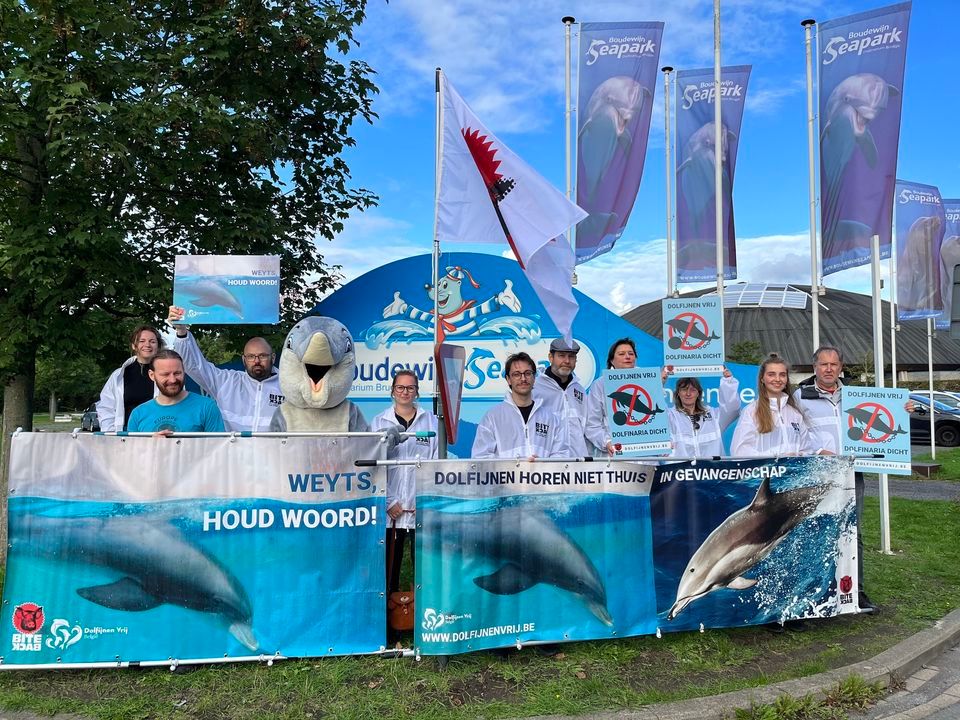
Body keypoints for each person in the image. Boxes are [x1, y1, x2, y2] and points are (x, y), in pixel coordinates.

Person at [793, 345, 875, 612]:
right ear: (814, 367)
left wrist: (901, 409)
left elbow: (881, 418)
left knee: (854, 532)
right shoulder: (800, 397)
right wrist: (817, 451)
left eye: (834, 364)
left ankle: (856, 592)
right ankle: (816, 595)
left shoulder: (856, 396)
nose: (829, 369)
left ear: (841, 367)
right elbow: (793, 435)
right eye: (823, 364)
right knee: (817, 532)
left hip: (852, 473)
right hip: (819, 474)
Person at [370, 370, 438, 598]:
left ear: (417, 392)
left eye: (410, 388)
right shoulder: (379, 422)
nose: (405, 392)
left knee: (425, 569)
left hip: (421, 508)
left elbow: (436, 463)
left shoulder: (431, 422)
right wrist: (389, 501)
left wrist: (425, 498)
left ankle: (422, 619)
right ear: (392, 391)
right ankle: (390, 622)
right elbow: (375, 466)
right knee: (389, 570)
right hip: (392, 511)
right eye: (400, 387)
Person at [167, 305, 283, 432]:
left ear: (273, 357)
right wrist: (181, 331)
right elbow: (195, 366)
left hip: (272, 451)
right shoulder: (226, 381)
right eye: (250, 356)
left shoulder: (287, 386)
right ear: (244, 359)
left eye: (262, 356)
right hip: (233, 450)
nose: (256, 361)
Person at [472, 352, 568, 459]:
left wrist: (542, 465)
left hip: (540, 475)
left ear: (534, 378)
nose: (523, 379)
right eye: (517, 374)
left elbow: (561, 457)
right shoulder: (493, 417)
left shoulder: (551, 419)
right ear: (508, 379)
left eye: (527, 373)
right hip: (507, 476)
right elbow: (480, 458)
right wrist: (514, 468)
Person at [730, 353, 815, 457]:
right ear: (762, 379)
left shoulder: (795, 414)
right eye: (771, 374)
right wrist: (777, 458)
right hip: (764, 472)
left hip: (793, 472)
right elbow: (739, 451)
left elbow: (808, 450)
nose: (778, 379)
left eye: (782, 375)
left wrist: (798, 455)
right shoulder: (751, 411)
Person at [127, 349, 226, 434]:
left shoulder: (206, 407)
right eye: (165, 374)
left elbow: (218, 450)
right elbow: (130, 453)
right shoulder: (138, 414)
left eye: (177, 373)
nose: (173, 380)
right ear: (152, 375)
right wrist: (152, 445)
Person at [96, 325, 164, 431]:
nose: (147, 345)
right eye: (142, 341)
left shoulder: (168, 374)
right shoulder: (119, 375)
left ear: (158, 346)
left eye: (152, 341)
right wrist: (110, 433)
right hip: (125, 436)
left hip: (157, 433)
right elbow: (106, 406)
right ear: (134, 346)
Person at [663, 366, 741, 458]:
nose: (688, 393)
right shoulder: (671, 416)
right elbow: (655, 411)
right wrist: (660, 382)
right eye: (684, 389)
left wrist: (728, 382)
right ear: (678, 393)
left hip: (712, 470)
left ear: (698, 393)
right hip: (681, 470)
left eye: (693, 390)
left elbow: (732, 409)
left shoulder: (713, 415)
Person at [533, 338, 589, 457]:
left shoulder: (580, 390)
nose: (567, 361)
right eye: (561, 356)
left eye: (571, 356)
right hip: (548, 464)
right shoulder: (535, 388)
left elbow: (588, 427)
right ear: (550, 357)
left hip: (579, 463)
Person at [584, 337, 637, 455]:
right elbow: (592, 425)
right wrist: (607, 442)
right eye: (621, 354)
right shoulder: (600, 385)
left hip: (645, 457)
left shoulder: (648, 381)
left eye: (631, 353)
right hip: (615, 456)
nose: (627, 357)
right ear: (612, 360)